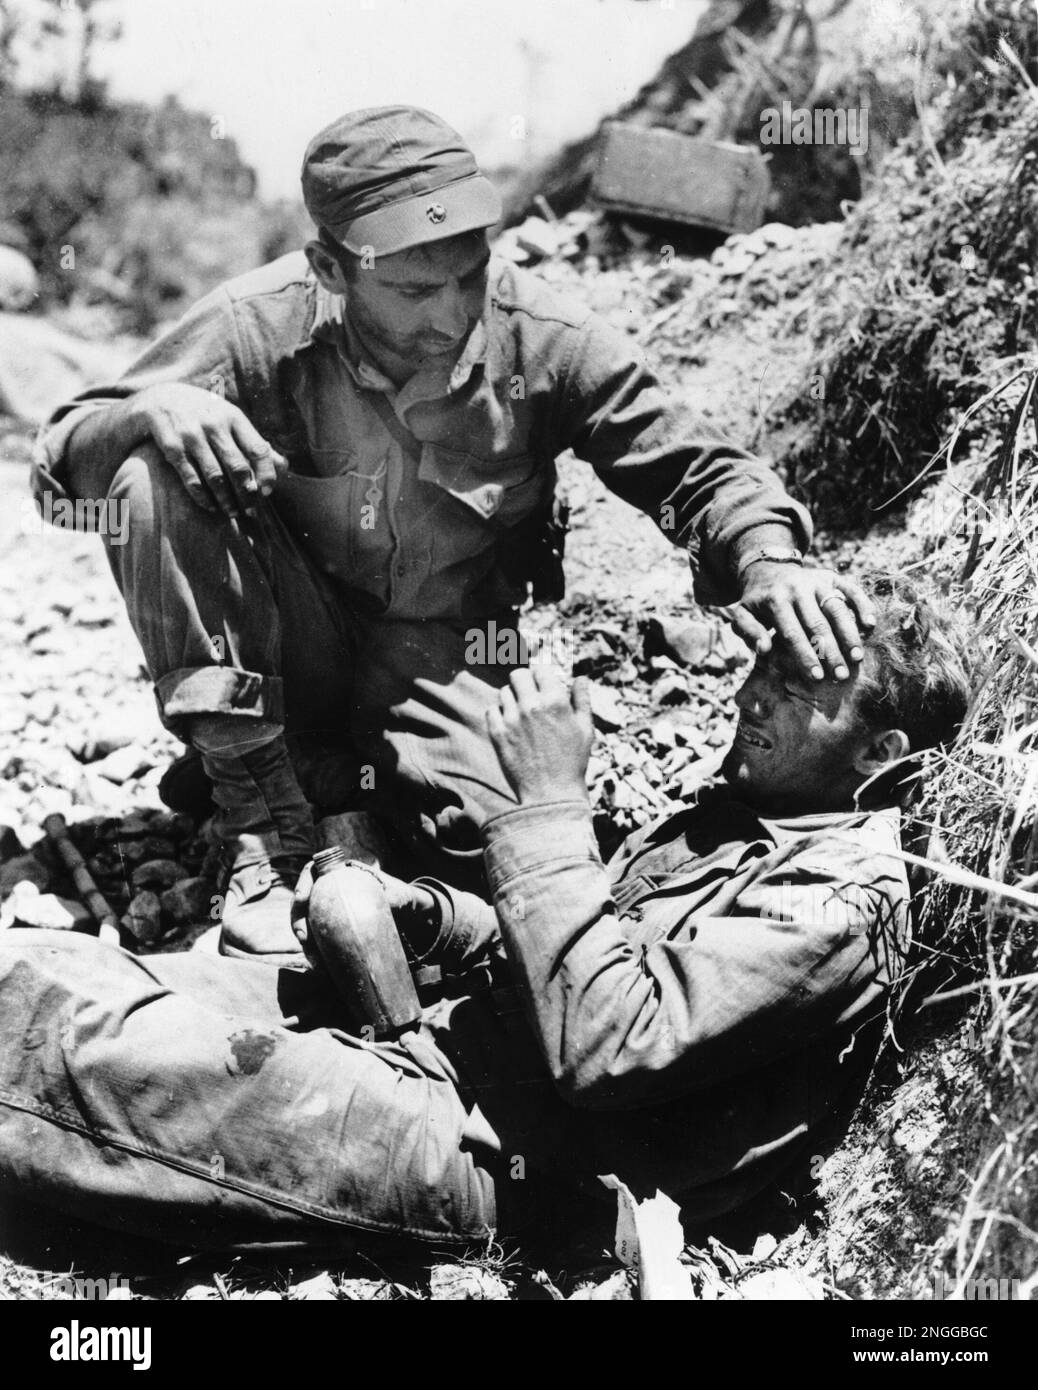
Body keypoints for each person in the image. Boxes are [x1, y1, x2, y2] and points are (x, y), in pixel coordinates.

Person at [31, 105, 873, 964]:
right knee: (149, 469)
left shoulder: (545, 336)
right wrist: (147, 409)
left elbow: (697, 467)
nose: (452, 313)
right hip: (296, 638)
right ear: (331, 268)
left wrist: (768, 558)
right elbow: (61, 475)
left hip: (446, 654)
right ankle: (262, 835)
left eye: (468, 276)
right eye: (412, 290)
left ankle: (314, 775)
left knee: (498, 848)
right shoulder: (257, 322)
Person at [0, 580, 970, 1251]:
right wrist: (430, 919)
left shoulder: (843, 899)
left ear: (878, 755)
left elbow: (608, 1040)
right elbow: (575, 951)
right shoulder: (740, 815)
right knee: (46, 966)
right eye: (766, 668)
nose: (754, 695)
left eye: (800, 693)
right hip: (443, 1044)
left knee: (83, 1052)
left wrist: (542, 805)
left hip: (514, 1155)